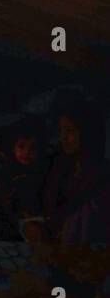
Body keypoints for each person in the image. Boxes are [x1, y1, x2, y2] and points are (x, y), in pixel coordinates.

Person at [42, 104, 109, 244]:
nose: (63, 138)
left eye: (70, 131)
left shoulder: (103, 174)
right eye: (61, 131)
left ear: (88, 133)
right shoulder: (58, 169)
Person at [0, 117, 46, 240]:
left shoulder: (41, 173)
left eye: (32, 148)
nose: (26, 152)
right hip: (14, 222)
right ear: (13, 149)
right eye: (21, 147)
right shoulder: (6, 174)